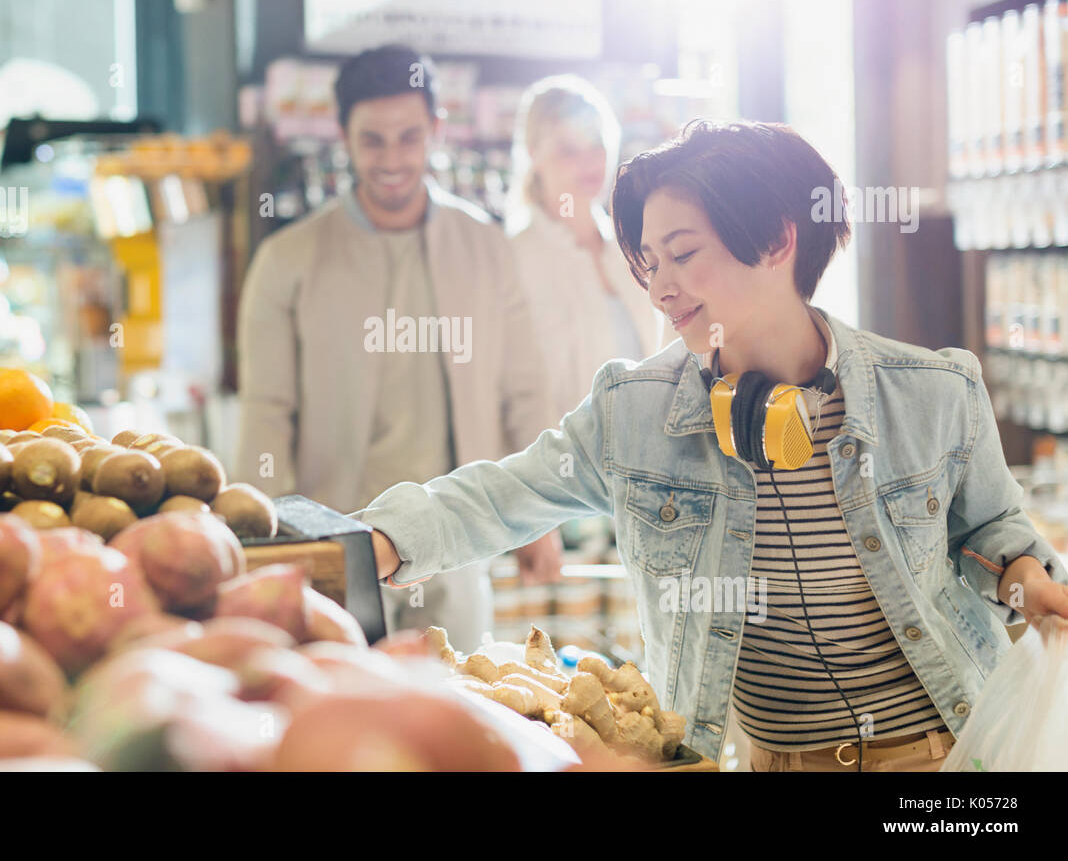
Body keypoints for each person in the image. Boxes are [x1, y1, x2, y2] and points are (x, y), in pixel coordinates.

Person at [359, 119, 1068, 771]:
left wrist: (1027, 578)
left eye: (682, 254)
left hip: (945, 753)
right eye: (647, 262)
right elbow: (497, 496)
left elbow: (992, 531)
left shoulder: (934, 390)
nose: (660, 287)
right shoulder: (632, 411)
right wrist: (371, 543)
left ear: (779, 239)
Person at [235, 44, 562, 653]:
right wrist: (267, 538)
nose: (391, 159)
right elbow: (266, 412)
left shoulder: (485, 248)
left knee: (457, 716)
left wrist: (537, 517)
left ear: (437, 130)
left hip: (459, 536)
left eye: (409, 137)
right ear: (342, 135)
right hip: (337, 539)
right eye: (373, 140)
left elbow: (525, 391)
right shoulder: (288, 260)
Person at [506, 75, 665, 422]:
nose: (589, 160)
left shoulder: (634, 247)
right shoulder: (511, 259)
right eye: (567, 149)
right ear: (534, 154)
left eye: (597, 144)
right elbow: (513, 398)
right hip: (558, 470)